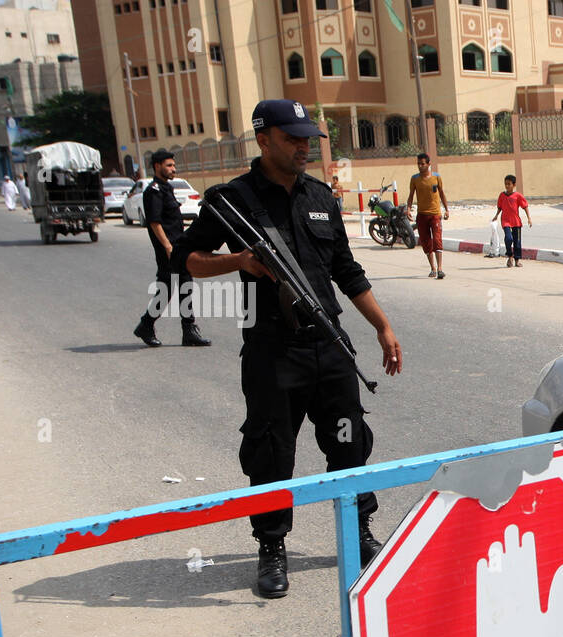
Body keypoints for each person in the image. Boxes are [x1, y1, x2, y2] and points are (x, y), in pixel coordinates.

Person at [170, 99, 404, 598]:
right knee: (271, 453)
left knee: (348, 442)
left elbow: (346, 271)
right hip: (272, 352)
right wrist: (238, 261)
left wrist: (382, 327)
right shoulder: (231, 201)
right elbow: (185, 259)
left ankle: (357, 530)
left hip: (329, 344)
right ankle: (272, 547)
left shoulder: (320, 196)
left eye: (307, 140)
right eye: (292, 138)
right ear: (263, 140)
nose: (303, 148)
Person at [134, 150, 211, 348]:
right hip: (167, 249)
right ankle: (146, 324)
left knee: (185, 284)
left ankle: (189, 330)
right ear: (157, 166)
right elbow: (154, 222)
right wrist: (168, 246)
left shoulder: (166, 188)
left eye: (173, 165)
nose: (173, 169)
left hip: (178, 246)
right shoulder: (153, 191)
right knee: (167, 288)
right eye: (169, 165)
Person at [407, 153, 449, 279]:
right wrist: (408, 209)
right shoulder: (415, 179)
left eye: (423, 164)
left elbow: (442, 193)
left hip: (435, 214)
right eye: (418, 164)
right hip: (422, 215)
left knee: (437, 240)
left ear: (429, 164)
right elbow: (411, 195)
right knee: (426, 242)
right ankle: (433, 268)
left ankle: (440, 268)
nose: (420, 166)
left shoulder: (436, 177)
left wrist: (447, 209)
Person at [492, 174, 532, 267]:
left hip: (516, 222)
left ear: (514, 185)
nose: (507, 186)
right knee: (508, 238)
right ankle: (510, 256)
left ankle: (517, 260)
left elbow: (525, 206)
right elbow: (500, 207)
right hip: (505, 221)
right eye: (505, 184)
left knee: (517, 242)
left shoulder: (517, 196)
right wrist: (496, 215)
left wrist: (529, 218)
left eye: (509, 184)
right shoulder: (502, 195)